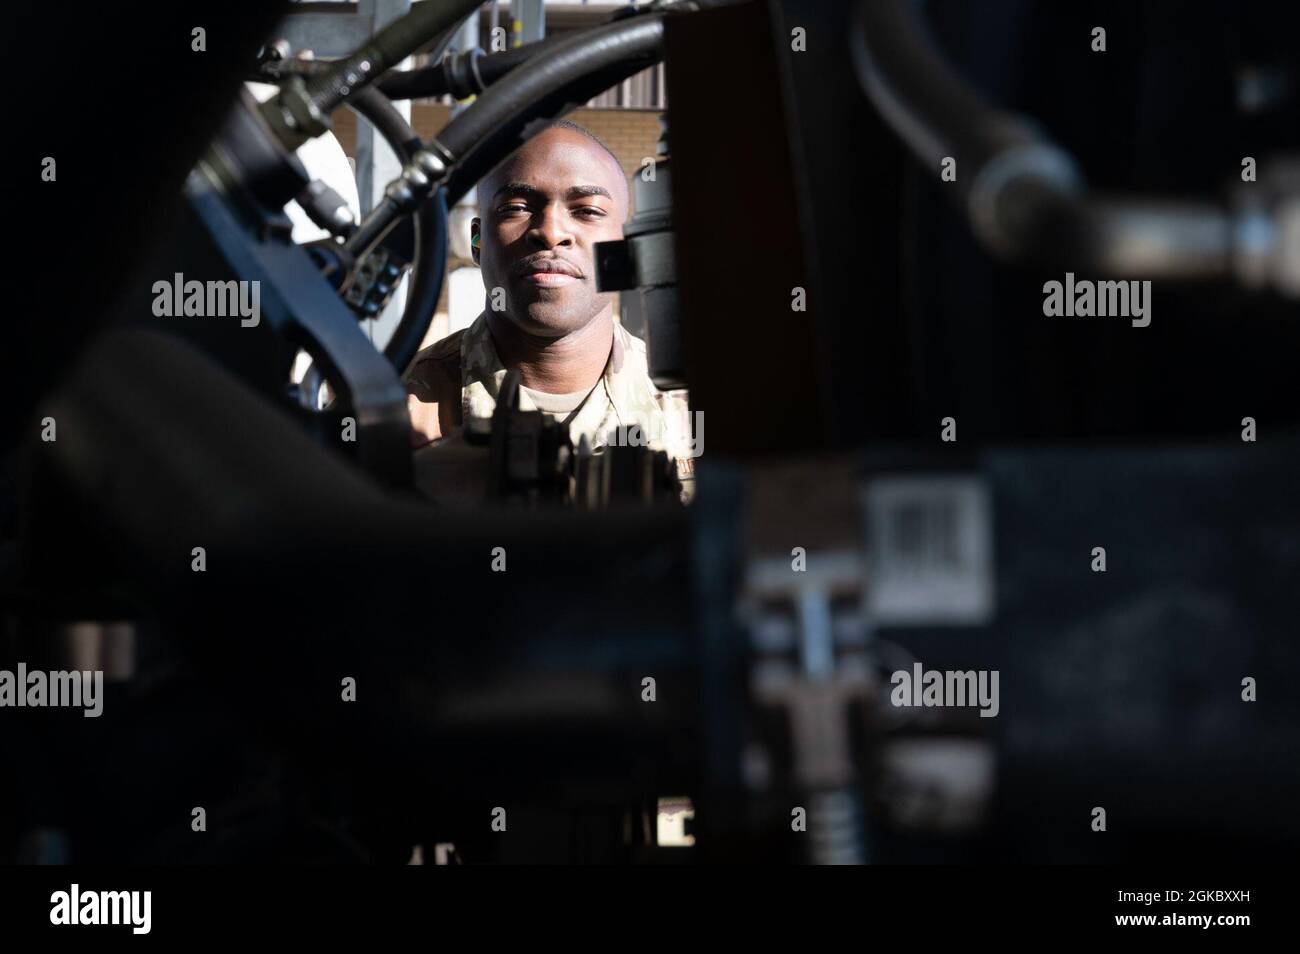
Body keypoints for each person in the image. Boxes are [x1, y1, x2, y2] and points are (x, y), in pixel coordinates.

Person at [402, 120, 694, 499]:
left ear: (625, 245)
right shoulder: (395, 410)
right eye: (517, 207)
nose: (552, 231)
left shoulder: (693, 412)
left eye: (587, 210)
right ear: (477, 241)